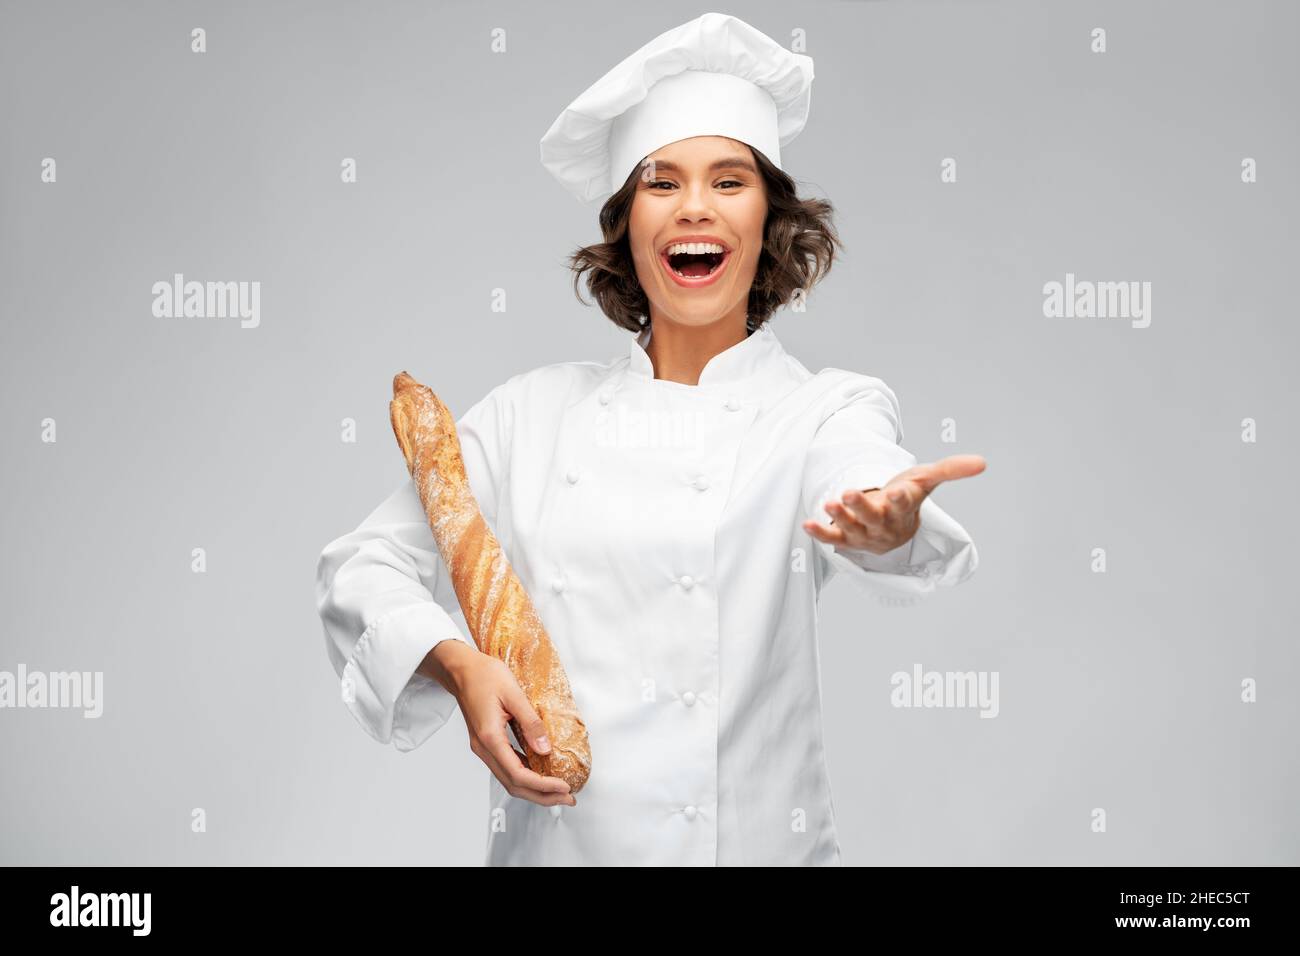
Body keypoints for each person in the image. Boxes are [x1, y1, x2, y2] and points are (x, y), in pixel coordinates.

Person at [315, 12, 985, 866]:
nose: (694, 207)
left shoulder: (822, 409)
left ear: (772, 221)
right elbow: (360, 567)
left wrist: (886, 518)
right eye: (661, 183)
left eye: (729, 181)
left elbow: (860, 472)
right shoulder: (530, 416)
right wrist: (461, 666)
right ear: (626, 226)